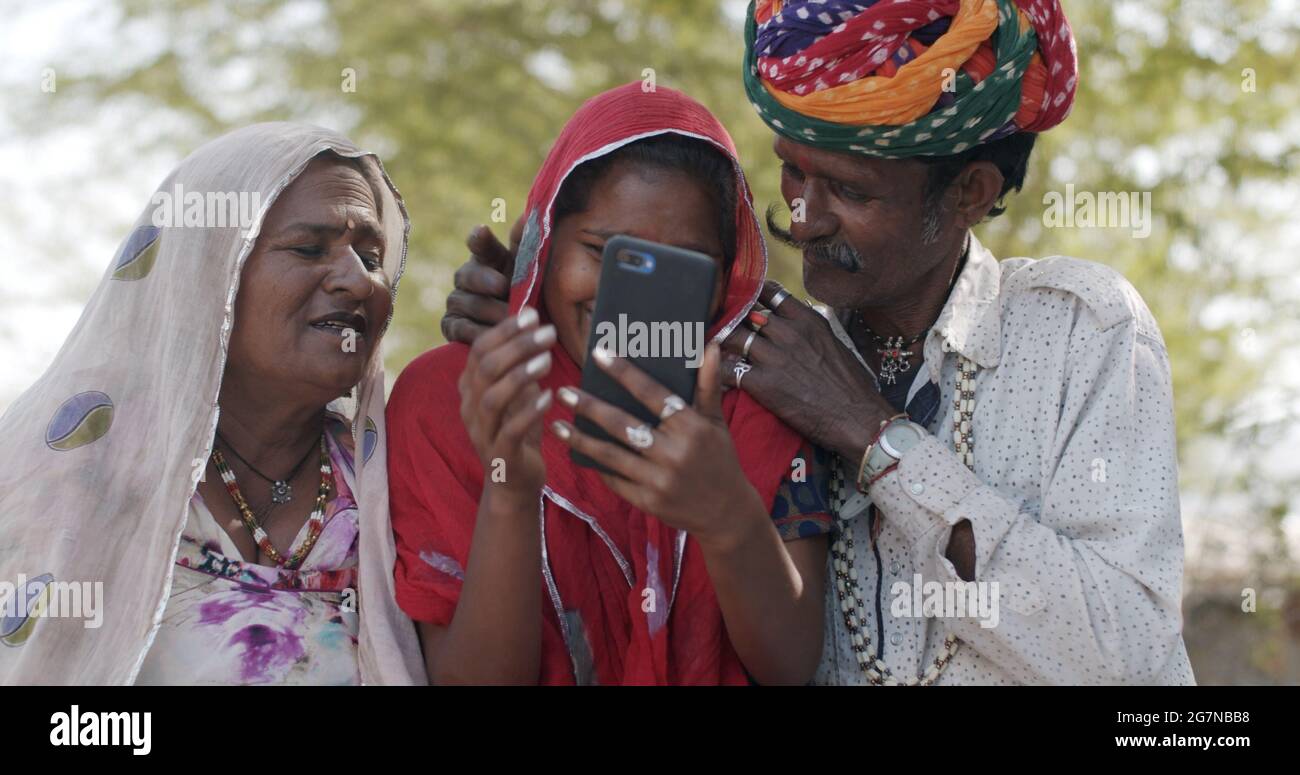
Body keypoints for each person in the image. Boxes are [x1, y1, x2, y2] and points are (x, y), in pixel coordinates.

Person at [442, 1, 1194, 685]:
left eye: (851, 191)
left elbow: (1124, 650)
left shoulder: (1080, 329)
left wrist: (871, 435)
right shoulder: (754, 357)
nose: (802, 218)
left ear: (968, 193)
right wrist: (535, 300)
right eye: (791, 171)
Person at [387, 83, 831, 685]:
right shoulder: (451, 397)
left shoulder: (757, 410)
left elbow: (791, 666)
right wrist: (511, 492)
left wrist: (726, 513)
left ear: (725, 280)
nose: (630, 304)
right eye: (604, 253)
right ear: (542, 243)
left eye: (679, 268)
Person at [0, 123, 424, 685]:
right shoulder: (81, 467)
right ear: (208, 272)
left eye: (371, 257)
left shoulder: (388, 482)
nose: (357, 280)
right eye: (308, 248)